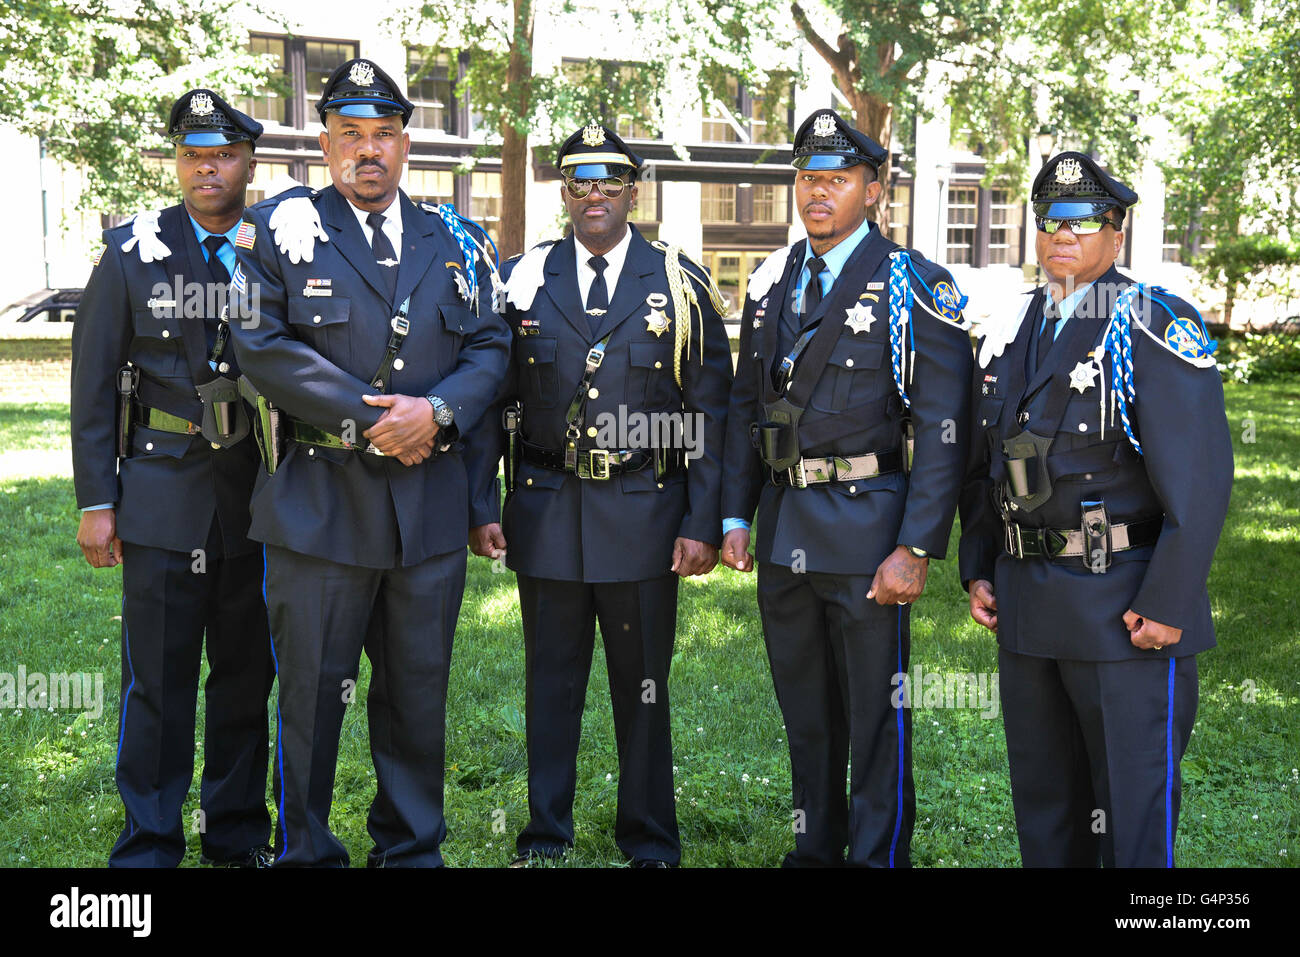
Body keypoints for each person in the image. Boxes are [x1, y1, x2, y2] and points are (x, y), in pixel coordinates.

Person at [228, 58, 510, 867]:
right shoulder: (275, 230)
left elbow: (491, 344)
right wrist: (378, 421)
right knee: (313, 697)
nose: (368, 150)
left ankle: (412, 848)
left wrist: (440, 412)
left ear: (405, 144)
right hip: (318, 504)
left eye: (383, 134)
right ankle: (307, 849)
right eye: (350, 134)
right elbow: (260, 346)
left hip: (425, 509)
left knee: (417, 693)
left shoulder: (456, 238)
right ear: (325, 145)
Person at [464, 123, 732, 867]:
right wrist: (481, 503)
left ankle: (648, 837)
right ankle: (545, 833)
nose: (595, 196)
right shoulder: (523, 278)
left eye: (609, 182)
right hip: (546, 509)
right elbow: (490, 398)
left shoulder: (679, 281)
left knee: (642, 689)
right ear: (564, 191)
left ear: (633, 191)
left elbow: (710, 411)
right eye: (580, 182)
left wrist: (703, 521)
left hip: (646, 509)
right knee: (549, 684)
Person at [958, 151, 1233, 867]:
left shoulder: (1151, 322)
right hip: (1028, 606)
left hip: (1125, 609)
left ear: (1118, 232)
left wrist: (1168, 601)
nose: (1062, 235)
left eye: (1084, 220)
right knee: (1046, 814)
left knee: (1131, 817)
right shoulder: (1017, 327)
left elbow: (1199, 480)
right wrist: (979, 563)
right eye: (1050, 219)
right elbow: (993, 459)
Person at [719, 109, 974, 867]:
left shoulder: (913, 286)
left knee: (873, 719)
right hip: (787, 530)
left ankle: (876, 856)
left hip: (871, 539)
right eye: (807, 178)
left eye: (836, 179)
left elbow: (943, 428)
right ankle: (813, 850)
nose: (817, 194)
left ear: (874, 188)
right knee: (807, 716)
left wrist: (917, 545)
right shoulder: (774, 282)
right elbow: (745, 408)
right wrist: (736, 512)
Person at [71, 89, 276, 867]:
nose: (207, 168)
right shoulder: (132, 252)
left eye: (223, 154)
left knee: (243, 677)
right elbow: (91, 385)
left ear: (248, 160)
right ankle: (151, 840)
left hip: (256, 498)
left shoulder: (275, 250)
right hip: (159, 496)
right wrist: (98, 501)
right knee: (156, 680)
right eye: (193, 155)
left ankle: (235, 833)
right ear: (177, 162)